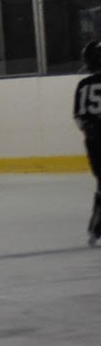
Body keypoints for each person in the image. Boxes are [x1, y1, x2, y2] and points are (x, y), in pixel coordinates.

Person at [74, 40, 101, 246]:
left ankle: (95, 228)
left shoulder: (83, 85)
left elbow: (79, 118)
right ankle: (95, 228)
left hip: (94, 143)